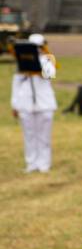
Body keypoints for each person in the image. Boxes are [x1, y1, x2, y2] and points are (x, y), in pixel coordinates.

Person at [10, 33, 57, 172]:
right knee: (29, 136)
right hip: (26, 104)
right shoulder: (22, 63)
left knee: (44, 136)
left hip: (45, 104)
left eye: (39, 47)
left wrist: (41, 59)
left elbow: (49, 74)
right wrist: (15, 105)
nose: (38, 50)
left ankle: (44, 164)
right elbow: (16, 85)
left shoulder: (48, 59)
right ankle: (31, 163)